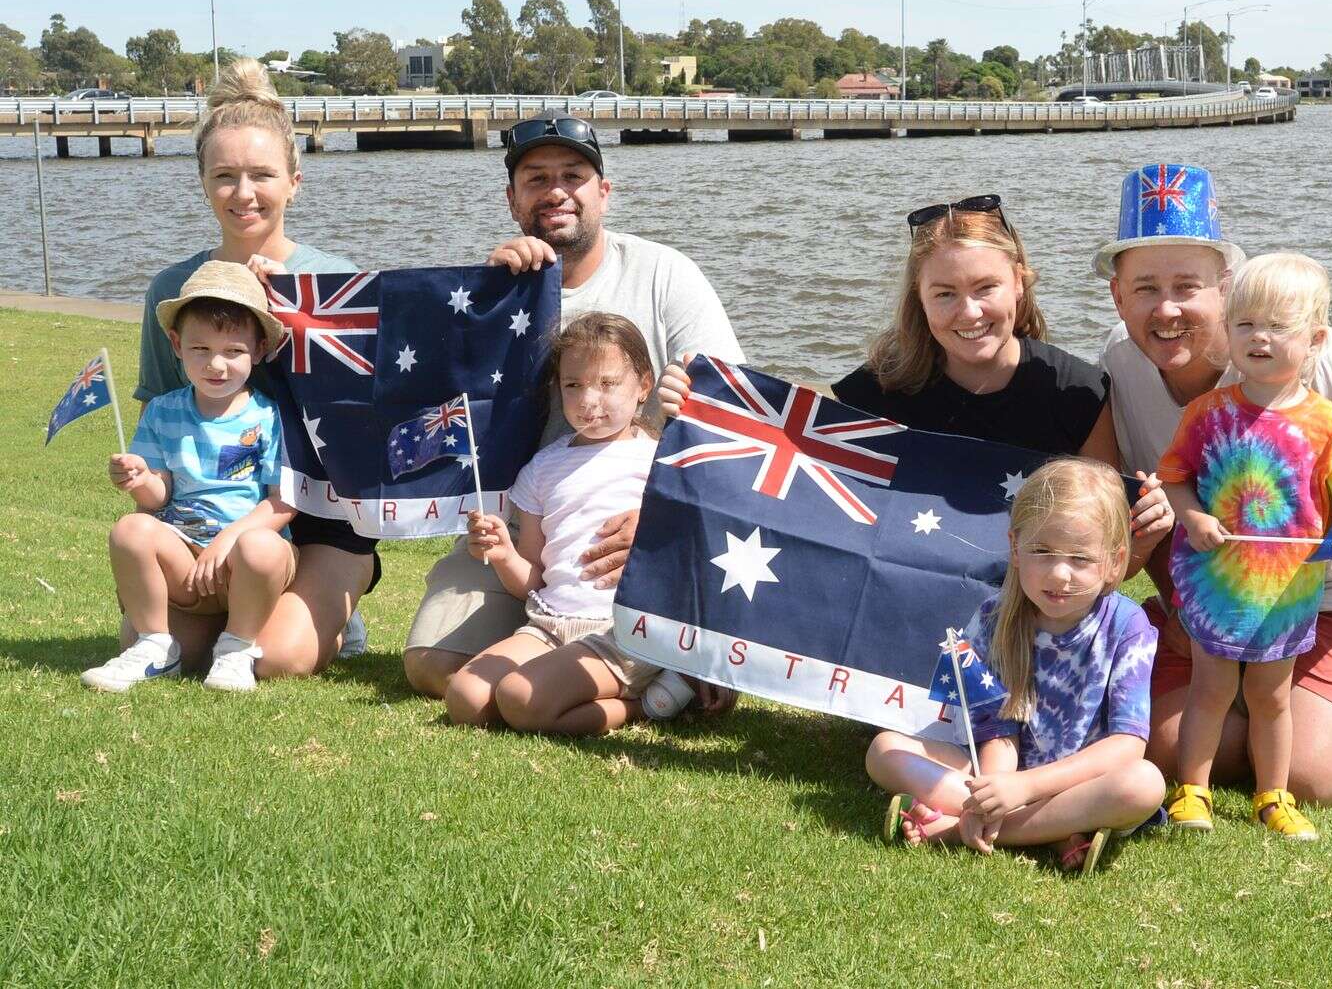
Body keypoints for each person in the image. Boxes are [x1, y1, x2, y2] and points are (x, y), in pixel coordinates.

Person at [1095, 162, 1332, 805]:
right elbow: (1151, 500)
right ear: (1118, 296)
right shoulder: (1118, 358)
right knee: (1162, 748)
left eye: (1187, 286)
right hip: (1217, 593)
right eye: (1145, 288)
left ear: (1226, 288)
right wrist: (1173, 586)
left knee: (1307, 775)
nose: (1166, 310)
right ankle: (1259, 704)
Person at [403, 115, 743, 706]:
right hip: (527, 522)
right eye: (536, 179)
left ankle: (663, 662)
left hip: (641, 517)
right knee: (434, 668)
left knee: (524, 683)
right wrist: (488, 303)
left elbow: (733, 409)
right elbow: (440, 402)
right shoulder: (489, 289)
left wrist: (663, 520)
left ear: (603, 192)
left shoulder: (666, 273)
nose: (556, 191)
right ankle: (566, 656)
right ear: (512, 200)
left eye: (573, 176)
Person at [661, 196, 1174, 564]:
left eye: (986, 287)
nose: (968, 312)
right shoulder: (877, 391)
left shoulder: (1077, 392)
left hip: (1035, 615)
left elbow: (1104, 560)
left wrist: (1143, 538)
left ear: (1019, 282)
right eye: (945, 294)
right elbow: (784, 449)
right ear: (920, 300)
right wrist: (700, 402)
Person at [129, 58, 375, 677]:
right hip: (207, 515)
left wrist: (292, 311)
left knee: (278, 658)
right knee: (168, 647)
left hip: (318, 515)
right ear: (203, 183)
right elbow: (162, 427)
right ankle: (232, 605)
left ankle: (329, 605)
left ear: (294, 181)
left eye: (262, 175)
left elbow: (370, 417)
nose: (244, 194)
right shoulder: (173, 290)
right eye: (224, 176)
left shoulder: (335, 283)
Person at [867, 458, 1166, 873]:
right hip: (996, 770)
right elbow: (996, 727)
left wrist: (1024, 787)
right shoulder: (995, 618)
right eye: (1042, 551)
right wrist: (999, 788)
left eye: (1080, 559)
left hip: (1078, 782)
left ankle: (956, 829)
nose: (1059, 574)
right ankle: (1052, 830)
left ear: (1115, 562)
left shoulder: (1128, 626)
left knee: (1144, 783)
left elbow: (1127, 745)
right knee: (884, 750)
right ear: (1015, 547)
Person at [1156, 253, 1332, 841]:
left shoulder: (1328, 424)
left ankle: (1273, 797)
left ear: (1315, 339)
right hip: (1217, 582)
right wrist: (1192, 516)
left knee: (1272, 697)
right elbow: (1174, 477)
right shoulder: (1206, 413)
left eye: (1277, 326)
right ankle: (1192, 791)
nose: (1259, 338)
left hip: (1286, 589)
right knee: (1211, 688)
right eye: (1245, 324)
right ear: (1228, 331)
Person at [443, 313, 689, 733]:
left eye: (608, 383)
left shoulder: (661, 462)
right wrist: (503, 554)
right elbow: (533, 580)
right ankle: (561, 695)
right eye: (573, 385)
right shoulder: (542, 469)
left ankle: (645, 705)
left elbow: (686, 560)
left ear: (644, 386)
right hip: (549, 625)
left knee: (521, 698)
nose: (588, 400)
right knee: (466, 698)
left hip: (624, 631)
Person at [84, 262, 299, 693]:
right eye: (200, 349)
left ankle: (236, 650)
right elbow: (157, 496)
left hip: (245, 566)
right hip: (184, 560)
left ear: (258, 351)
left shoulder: (271, 417)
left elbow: (284, 501)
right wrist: (139, 479)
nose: (216, 365)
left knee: (260, 547)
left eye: (233, 351)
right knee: (130, 529)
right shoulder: (163, 411)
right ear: (176, 345)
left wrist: (230, 539)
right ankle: (154, 646)